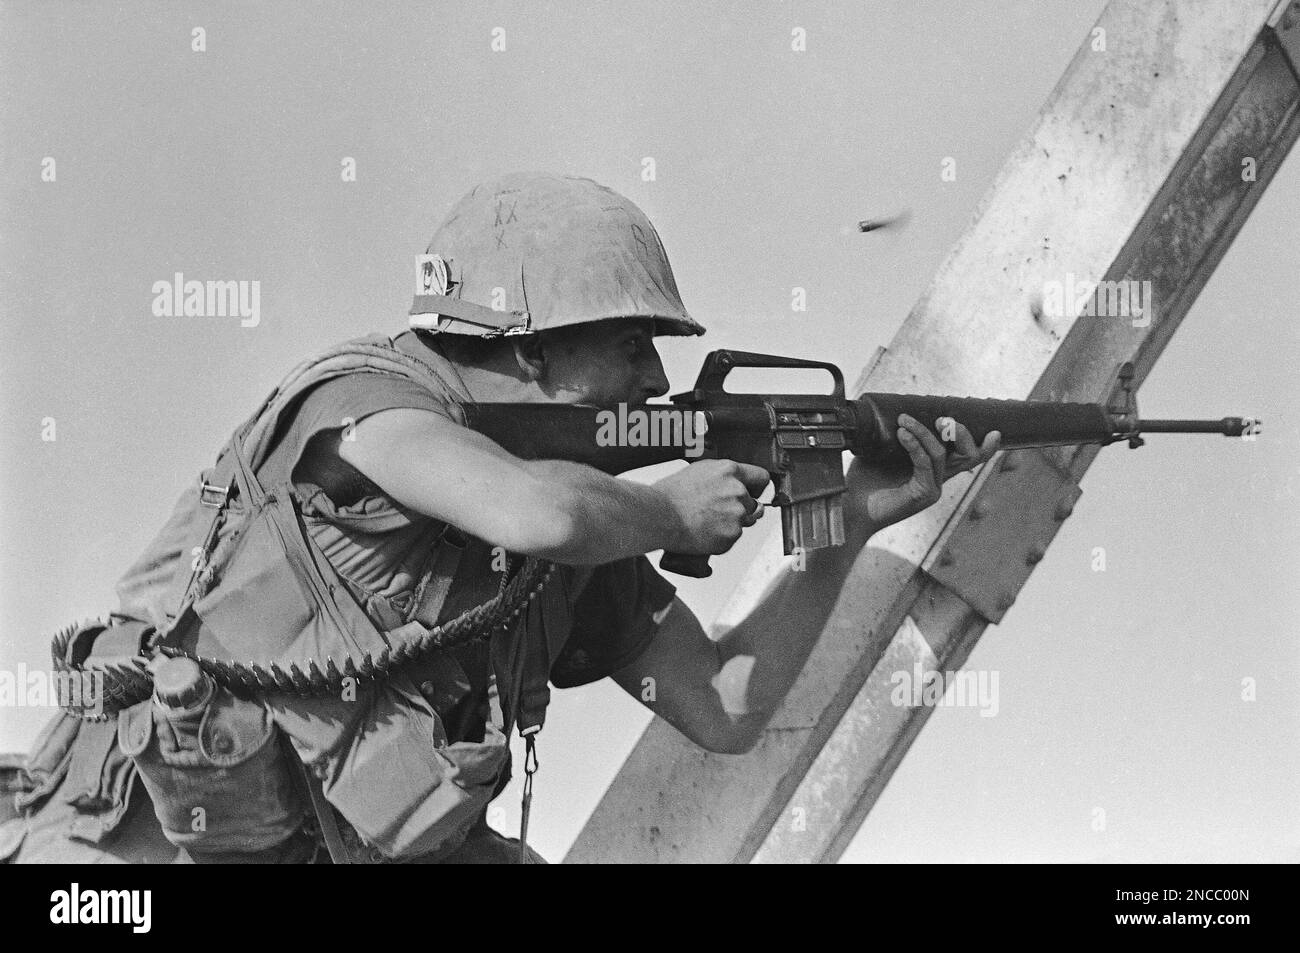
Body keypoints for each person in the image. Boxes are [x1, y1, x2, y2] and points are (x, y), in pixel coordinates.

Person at [2, 172, 998, 865]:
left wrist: (847, 530)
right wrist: (667, 510)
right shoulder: (365, 402)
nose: (658, 381)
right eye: (631, 347)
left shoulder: (581, 513)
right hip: (124, 852)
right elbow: (536, 514)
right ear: (531, 350)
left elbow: (726, 704)